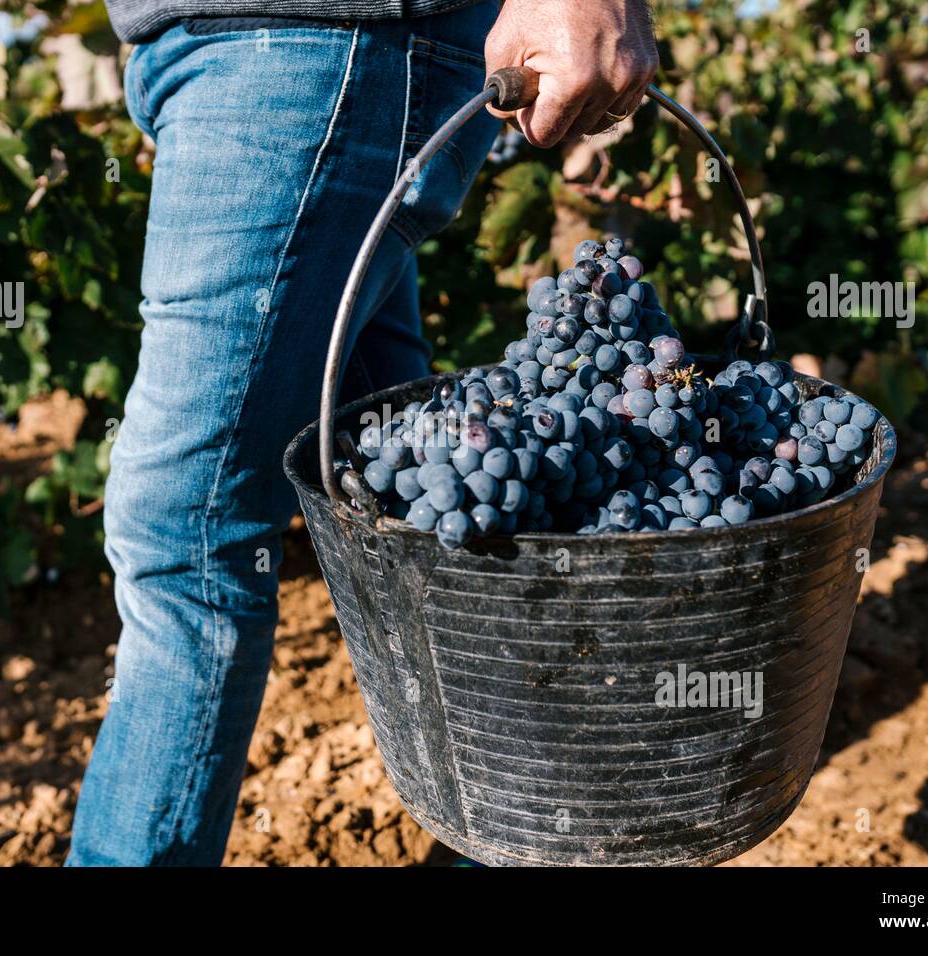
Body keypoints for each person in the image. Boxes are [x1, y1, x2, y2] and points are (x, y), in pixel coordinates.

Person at [67, 0, 658, 866]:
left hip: (309, 53)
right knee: (415, 503)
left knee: (183, 536)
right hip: (256, 62)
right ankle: (516, 836)